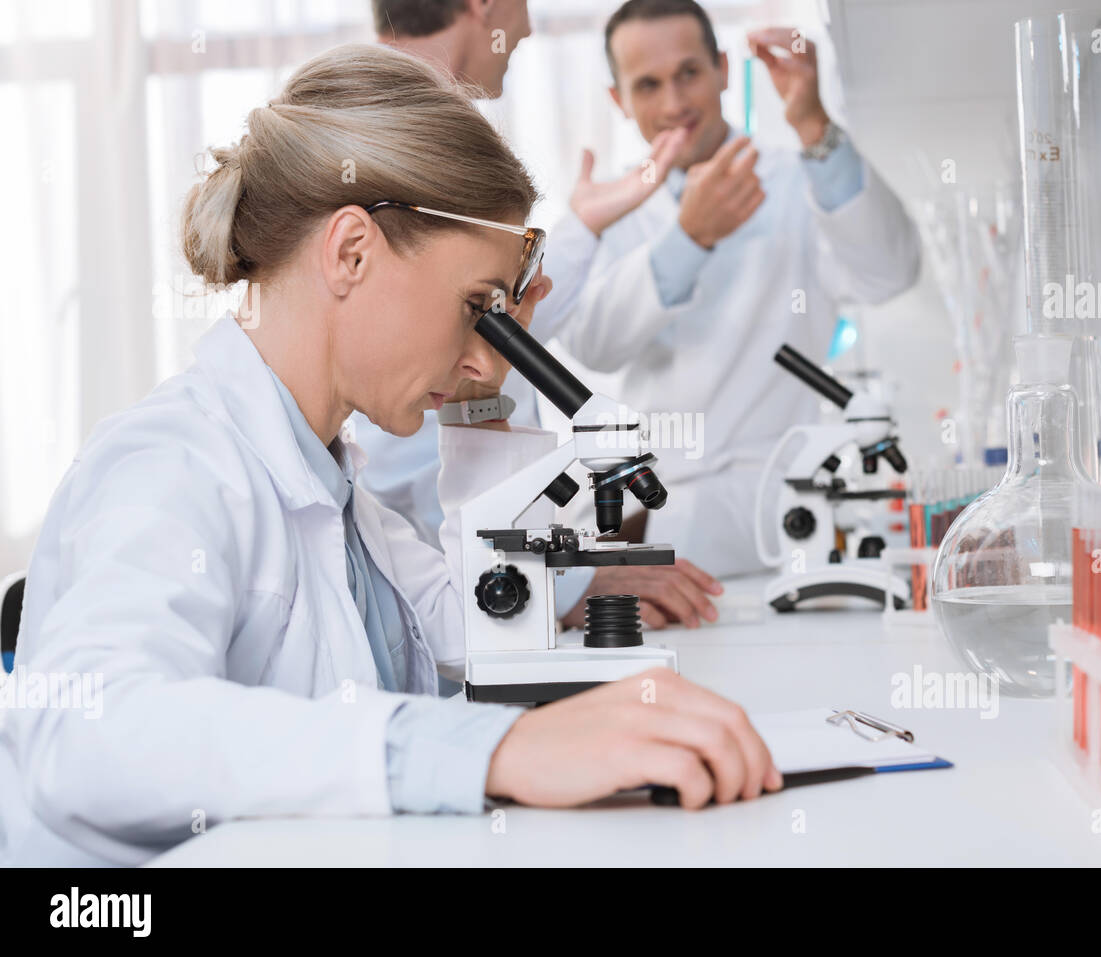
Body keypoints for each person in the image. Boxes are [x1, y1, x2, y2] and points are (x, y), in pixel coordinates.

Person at [0, 44, 779, 867]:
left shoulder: (341, 495)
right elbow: (87, 733)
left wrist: (486, 382)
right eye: (477, 307)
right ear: (351, 253)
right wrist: (494, 751)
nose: (486, 351)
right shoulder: (168, 464)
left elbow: (483, 626)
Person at [359, 0, 721, 631]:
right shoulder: (396, 142)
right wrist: (564, 580)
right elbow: (410, 441)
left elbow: (489, 335)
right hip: (439, 593)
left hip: (465, 577)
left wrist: (582, 227)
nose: (527, 24)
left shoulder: (417, 128)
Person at [549, 0, 921, 578]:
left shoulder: (800, 175)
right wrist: (689, 239)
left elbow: (889, 272)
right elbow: (594, 343)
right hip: (658, 517)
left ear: (723, 68)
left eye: (689, 73)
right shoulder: (615, 206)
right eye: (649, 85)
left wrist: (814, 126)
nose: (674, 103)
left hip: (778, 510)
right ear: (619, 100)